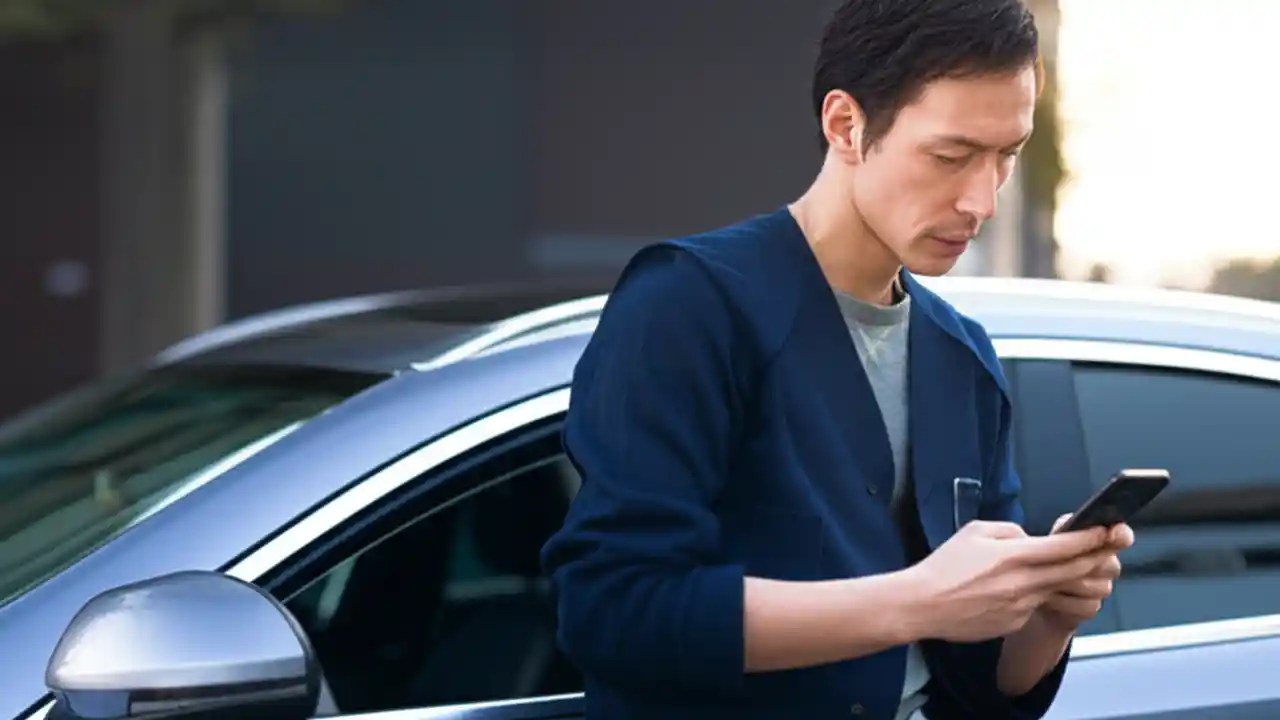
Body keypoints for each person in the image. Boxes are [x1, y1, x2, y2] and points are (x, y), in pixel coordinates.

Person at [539, 1, 1135, 718]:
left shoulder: (961, 354)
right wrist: (916, 600)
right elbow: (615, 611)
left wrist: (1048, 614)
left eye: (1006, 155)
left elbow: (980, 691)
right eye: (951, 156)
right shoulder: (689, 304)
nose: (982, 200)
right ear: (846, 126)